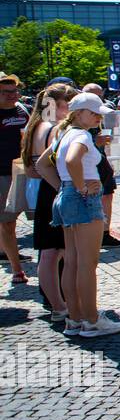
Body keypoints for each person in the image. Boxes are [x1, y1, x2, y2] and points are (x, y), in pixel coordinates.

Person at [43, 92, 120, 338]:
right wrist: (80, 187)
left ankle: (75, 318)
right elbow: (71, 159)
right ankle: (91, 320)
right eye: (94, 113)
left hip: (66, 198)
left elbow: (42, 165)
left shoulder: (63, 133)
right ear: (78, 113)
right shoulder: (81, 135)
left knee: (73, 262)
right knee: (87, 265)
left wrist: (65, 187)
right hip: (82, 199)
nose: (98, 117)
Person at [24, 83, 74, 317]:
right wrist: (63, 190)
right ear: (56, 105)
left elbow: (31, 169)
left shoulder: (34, 126)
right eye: (67, 105)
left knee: (48, 251)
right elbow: (44, 167)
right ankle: (60, 304)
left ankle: (56, 304)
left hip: (44, 191)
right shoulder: (53, 128)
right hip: (55, 189)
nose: (69, 110)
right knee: (57, 250)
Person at [82, 84, 120, 248]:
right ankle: (93, 234)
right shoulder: (78, 116)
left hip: (100, 159)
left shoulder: (100, 111)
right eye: (94, 96)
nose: (99, 100)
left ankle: (104, 233)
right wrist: (95, 142)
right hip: (86, 165)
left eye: (100, 96)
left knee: (108, 193)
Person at [0, 73, 31, 283]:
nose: (12, 95)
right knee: (7, 222)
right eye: (6, 92)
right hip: (1, 173)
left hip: (24, 170)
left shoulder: (22, 110)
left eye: (15, 91)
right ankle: (16, 269)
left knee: (38, 216)